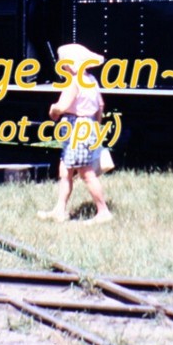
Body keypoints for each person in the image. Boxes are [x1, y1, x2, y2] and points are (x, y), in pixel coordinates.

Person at [37, 43, 113, 224]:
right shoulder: (91, 80)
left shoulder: (73, 82)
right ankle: (59, 210)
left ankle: (103, 211)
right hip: (88, 125)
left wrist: (52, 110)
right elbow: (100, 105)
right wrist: (95, 125)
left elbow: (61, 107)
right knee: (65, 171)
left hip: (76, 128)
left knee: (86, 173)